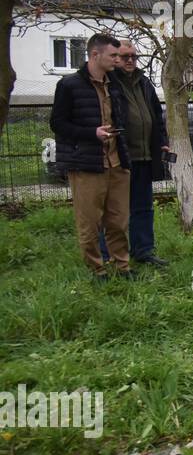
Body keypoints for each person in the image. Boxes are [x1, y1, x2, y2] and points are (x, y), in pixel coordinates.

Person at [49, 33, 136, 281]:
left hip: (117, 162)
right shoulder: (69, 85)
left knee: (118, 220)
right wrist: (91, 133)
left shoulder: (114, 83)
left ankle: (122, 266)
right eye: (113, 55)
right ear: (95, 55)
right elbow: (57, 123)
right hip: (86, 164)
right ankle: (97, 270)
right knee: (89, 222)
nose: (117, 60)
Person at [97, 39, 171, 267]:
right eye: (124, 56)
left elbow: (156, 116)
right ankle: (109, 255)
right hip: (120, 157)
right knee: (116, 210)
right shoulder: (109, 82)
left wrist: (162, 142)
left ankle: (144, 250)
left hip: (145, 156)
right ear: (115, 58)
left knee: (144, 208)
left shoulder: (144, 82)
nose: (130, 60)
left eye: (133, 56)